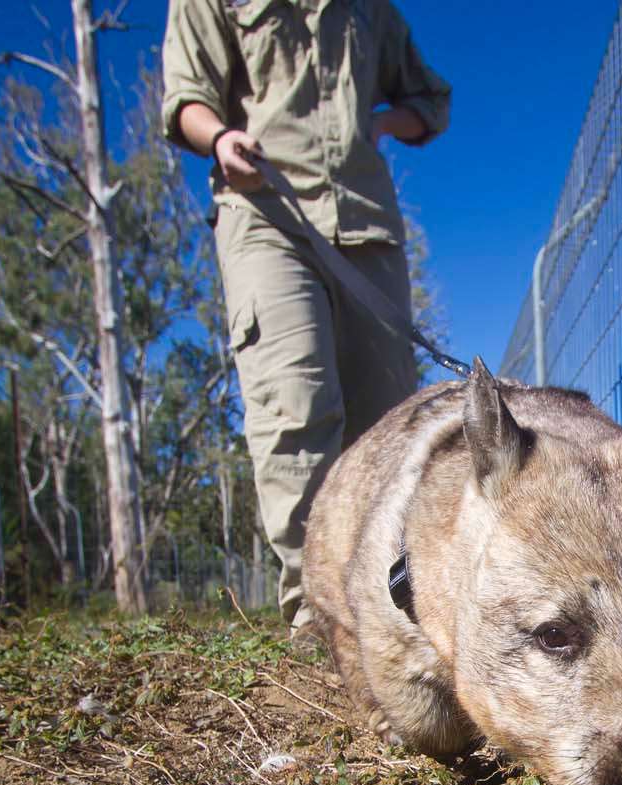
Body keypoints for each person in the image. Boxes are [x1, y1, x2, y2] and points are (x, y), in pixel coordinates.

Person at [161, 0, 452, 628]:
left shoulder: (370, 10)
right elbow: (185, 96)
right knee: (296, 401)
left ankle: (388, 608)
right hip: (266, 214)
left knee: (388, 423)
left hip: (366, 222)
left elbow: (432, 101)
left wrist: (379, 123)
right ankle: (315, 616)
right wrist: (218, 137)